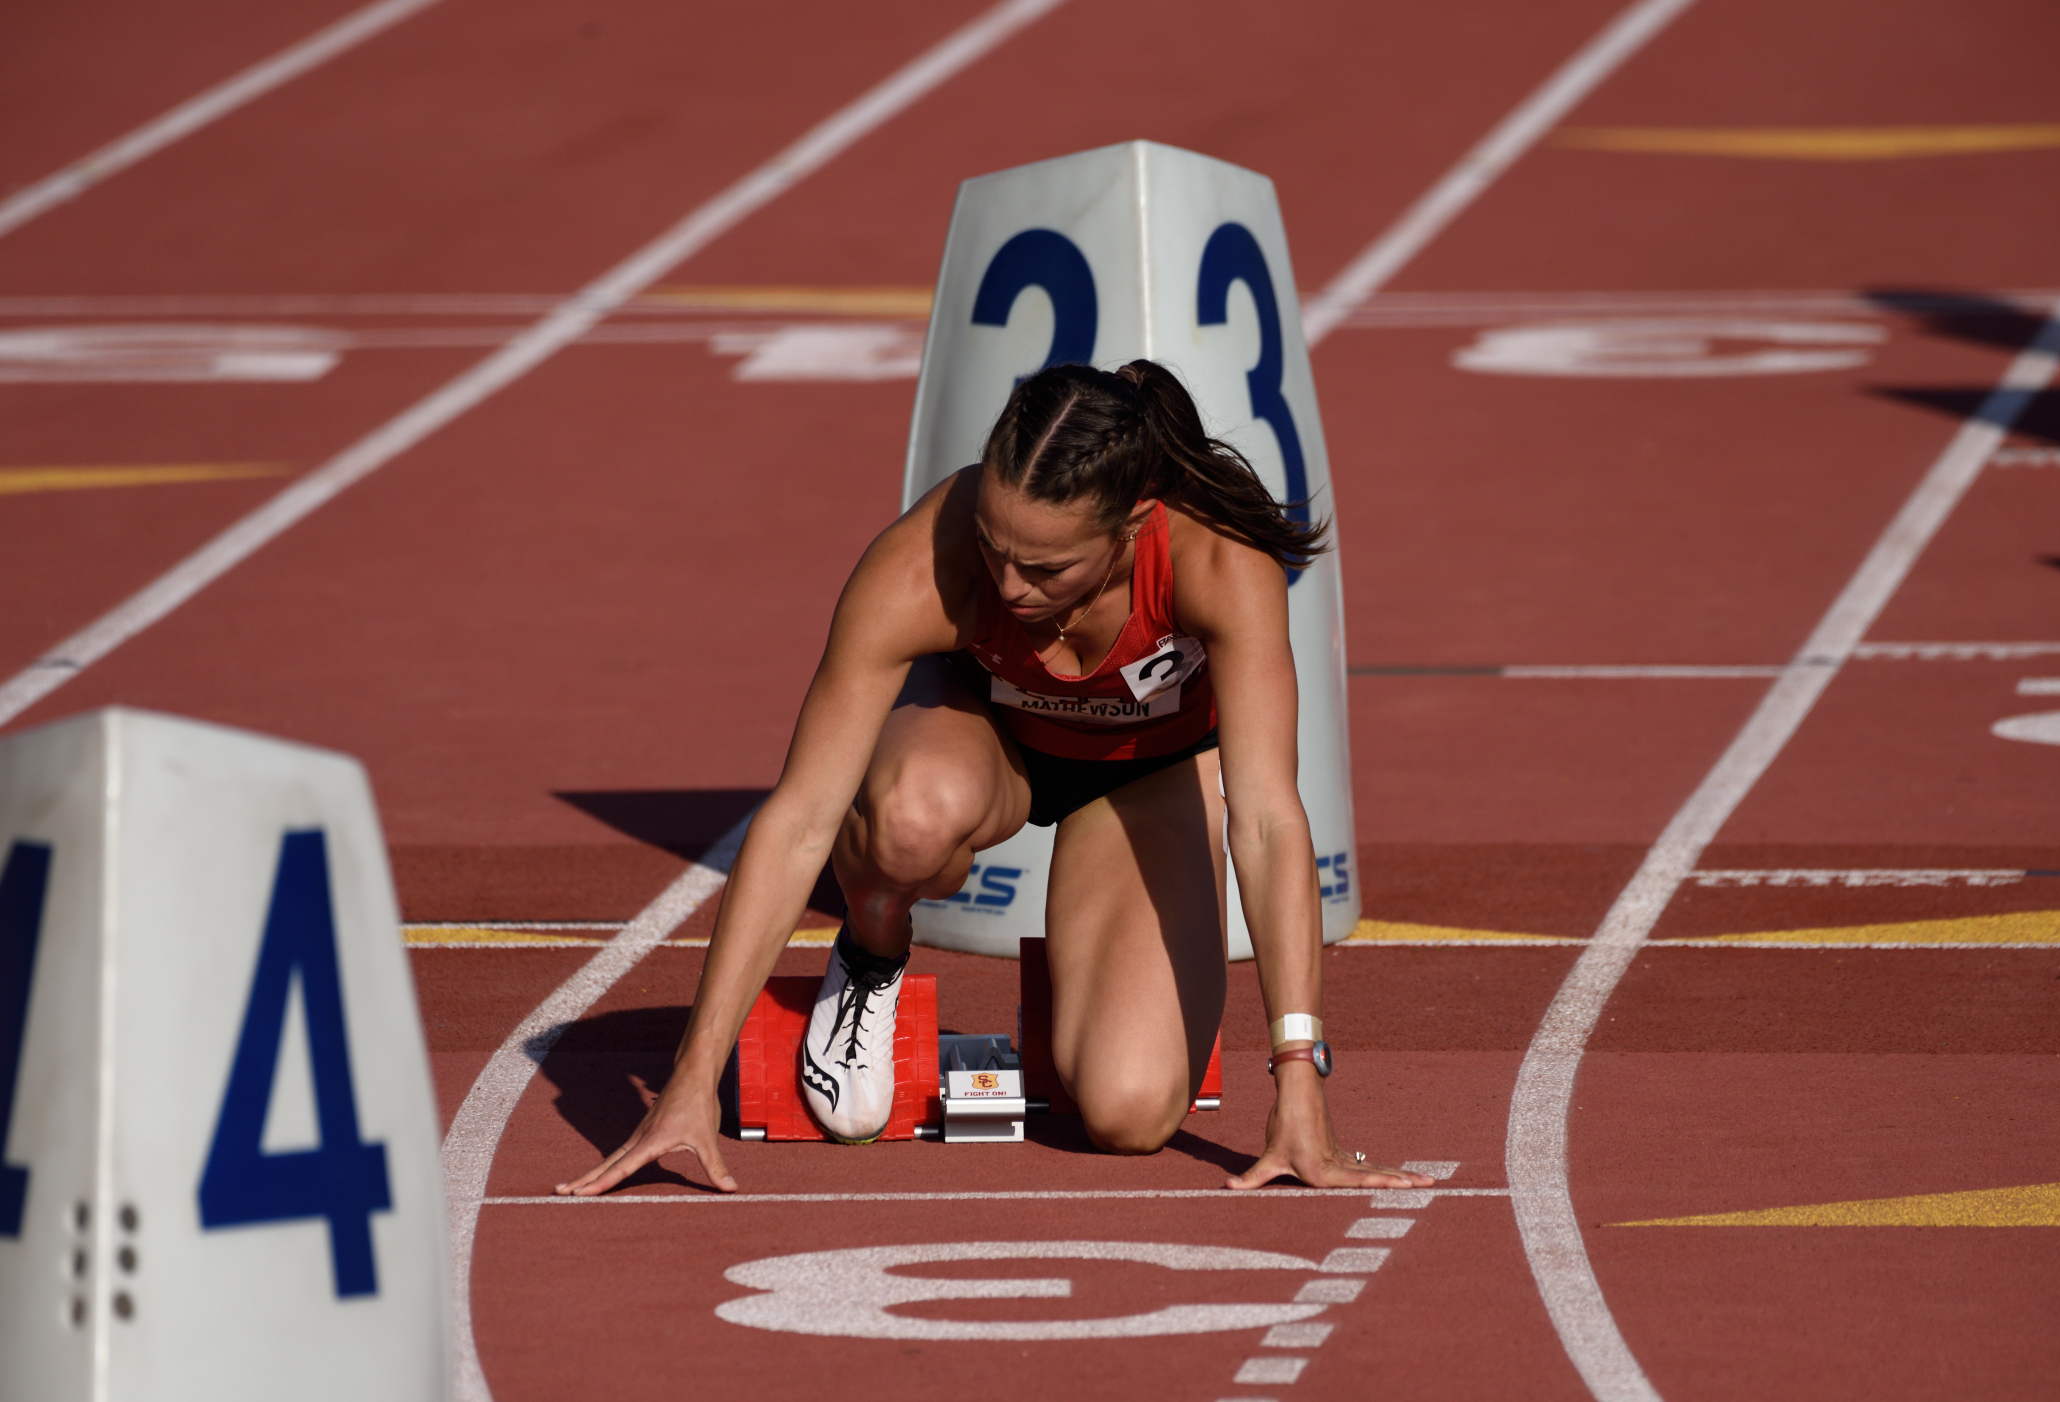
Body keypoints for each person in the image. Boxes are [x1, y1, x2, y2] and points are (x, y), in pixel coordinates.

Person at [557, 359, 1433, 1196]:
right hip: (985, 740)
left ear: (1134, 521)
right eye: (992, 546)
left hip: (1148, 775)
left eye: (1046, 568)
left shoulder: (1218, 564)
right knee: (911, 817)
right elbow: (797, 819)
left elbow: (1270, 821)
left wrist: (1299, 1079)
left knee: (1130, 1112)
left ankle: (1104, 966)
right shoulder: (923, 560)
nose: (1010, 587)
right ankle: (871, 951)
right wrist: (691, 1079)